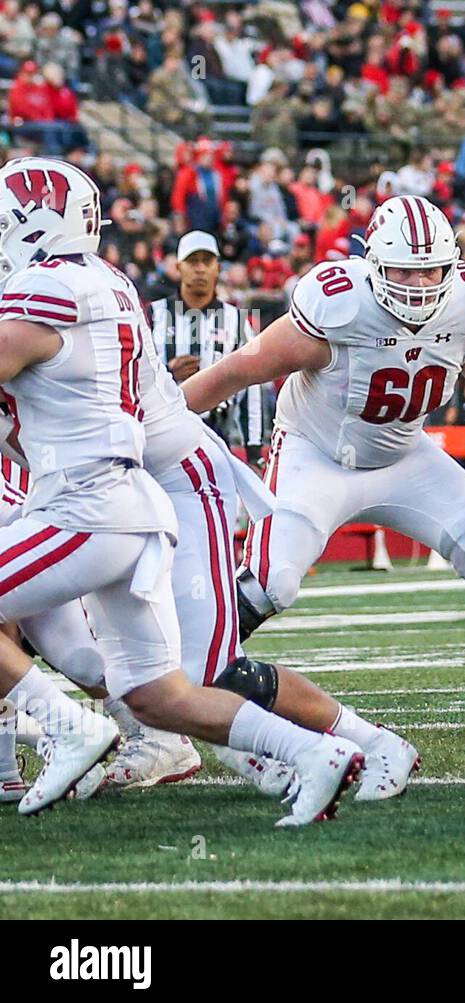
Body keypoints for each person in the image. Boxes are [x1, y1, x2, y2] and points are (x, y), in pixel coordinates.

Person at [0, 157, 361, 826]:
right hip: (128, 504)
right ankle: (314, 754)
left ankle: (63, 725)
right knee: (159, 695)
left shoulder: (40, 291)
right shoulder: (104, 282)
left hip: (84, 507)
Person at [181, 196, 465, 733]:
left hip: (405, 454)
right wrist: (151, 425)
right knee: (271, 584)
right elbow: (233, 373)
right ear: (373, 266)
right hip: (314, 455)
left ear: (452, 263)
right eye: (405, 273)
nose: (419, 285)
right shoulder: (339, 307)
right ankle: (177, 686)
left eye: (432, 269)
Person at [148, 231, 268, 458]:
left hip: (217, 433)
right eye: (193, 261)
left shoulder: (239, 321)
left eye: (207, 261)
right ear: (179, 267)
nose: (200, 268)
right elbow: (134, 375)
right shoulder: (153, 315)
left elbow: (252, 385)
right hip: (163, 432)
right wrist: (168, 374)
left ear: (218, 268)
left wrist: (254, 452)